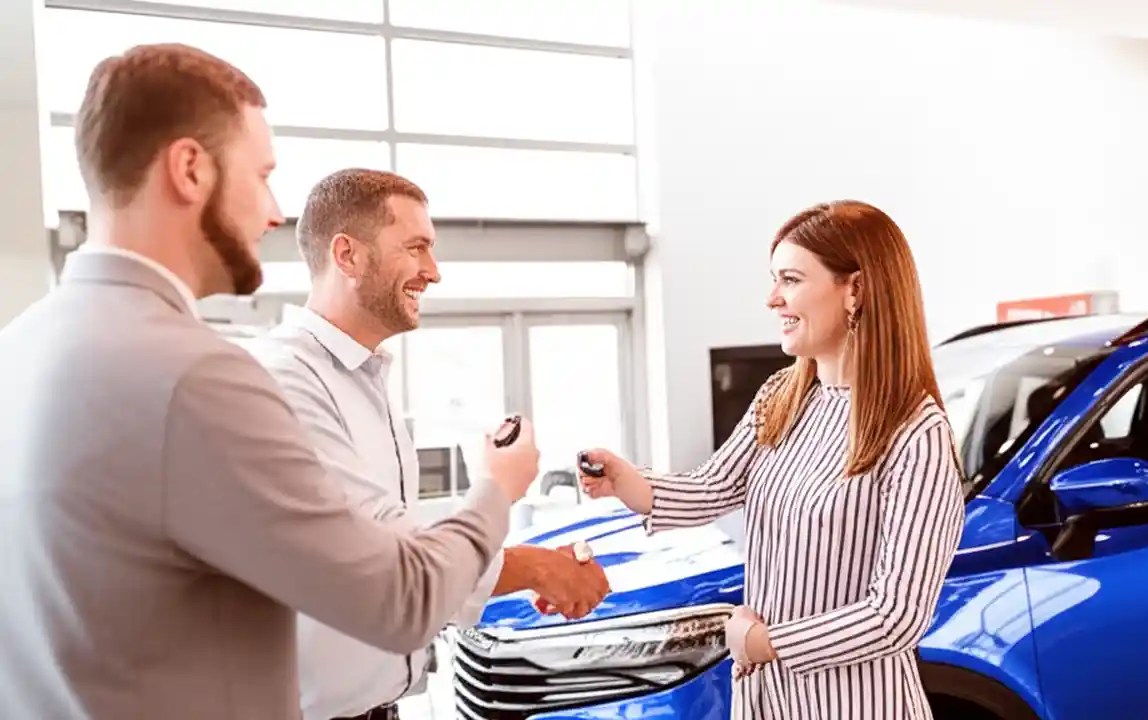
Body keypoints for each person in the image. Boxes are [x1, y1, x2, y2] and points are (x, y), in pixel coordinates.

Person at [0, 44, 541, 720]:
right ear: (190, 170)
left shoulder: (17, 350)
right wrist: (498, 486)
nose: (274, 213)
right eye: (261, 176)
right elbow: (402, 601)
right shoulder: (198, 376)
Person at [244, 168, 611, 720]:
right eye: (416, 248)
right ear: (347, 255)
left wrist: (517, 561)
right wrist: (507, 508)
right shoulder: (285, 378)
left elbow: (401, 537)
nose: (433, 271)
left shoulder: (365, 377)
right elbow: (387, 559)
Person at [579, 200, 966, 719]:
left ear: (856, 289)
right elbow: (713, 487)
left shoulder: (916, 433)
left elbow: (896, 615)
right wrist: (624, 479)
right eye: (774, 279)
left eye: (791, 279)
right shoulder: (782, 395)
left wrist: (767, 643)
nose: (772, 298)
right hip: (768, 700)